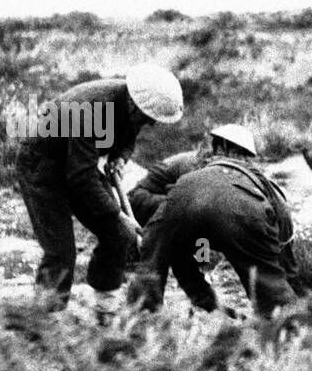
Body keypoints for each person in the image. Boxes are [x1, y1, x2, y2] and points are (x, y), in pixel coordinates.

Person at [16, 64, 183, 319]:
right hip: (42, 163)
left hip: (79, 161)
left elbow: (128, 136)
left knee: (118, 236)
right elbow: (81, 179)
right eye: (147, 117)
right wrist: (118, 215)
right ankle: (45, 320)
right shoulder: (93, 109)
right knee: (61, 251)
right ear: (133, 103)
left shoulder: (134, 103)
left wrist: (120, 157)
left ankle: (105, 306)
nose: (149, 123)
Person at [128, 124, 301, 317]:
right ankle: (289, 322)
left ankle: (142, 315)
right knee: (265, 278)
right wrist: (286, 278)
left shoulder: (192, 174)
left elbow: (162, 244)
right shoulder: (184, 163)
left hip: (184, 200)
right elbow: (284, 231)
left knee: (155, 253)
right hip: (229, 212)